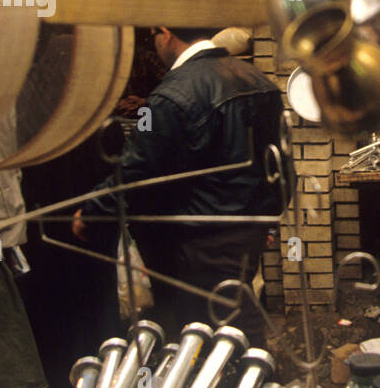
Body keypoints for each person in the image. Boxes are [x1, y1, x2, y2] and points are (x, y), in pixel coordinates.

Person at [73, 26, 285, 347]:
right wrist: (268, 218)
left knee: (219, 329)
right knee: (234, 314)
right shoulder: (258, 82)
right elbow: (280, 165)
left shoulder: (171, 95)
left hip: (202, 239)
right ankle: (251, 385)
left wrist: (92, 210)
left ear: (165, 33)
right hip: (245, 230)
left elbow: (137, 169)